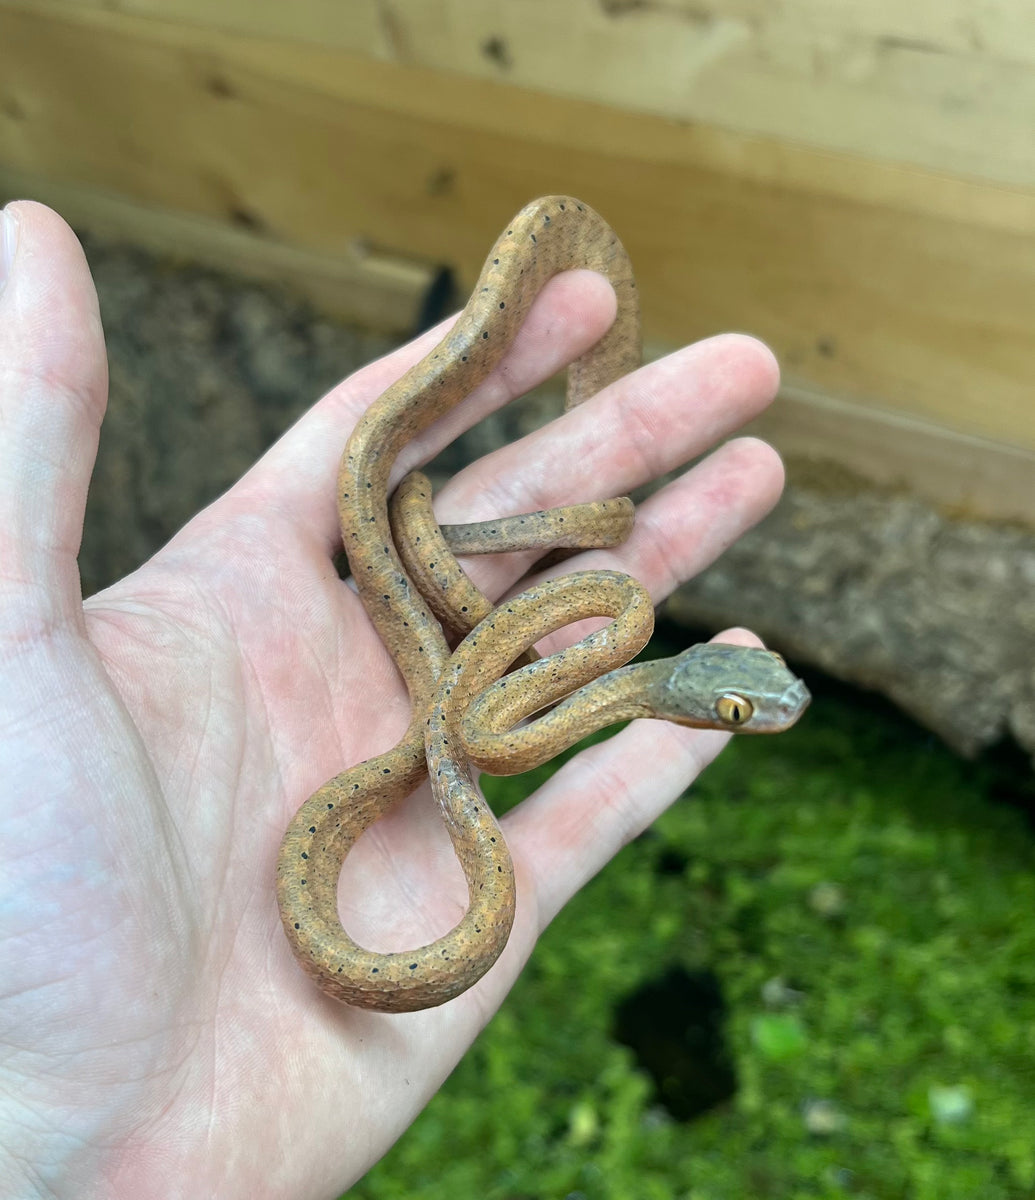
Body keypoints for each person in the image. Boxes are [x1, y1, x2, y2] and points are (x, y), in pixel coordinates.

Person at [0, 200, 785, 1197]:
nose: (754, 716)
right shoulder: (580, 651)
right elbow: (487, 722)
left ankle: (415, 510)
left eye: (743, 709)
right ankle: (409, 506)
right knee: (425, 543)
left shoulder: (604, 632)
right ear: (680, 703)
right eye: (737, 711)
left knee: (487, 624)